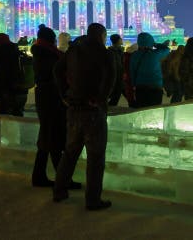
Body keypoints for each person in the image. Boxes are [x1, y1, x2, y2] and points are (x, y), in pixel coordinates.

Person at [53, 23, 115, 211]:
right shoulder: (105, 53)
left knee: (70, 152)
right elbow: (111, 79)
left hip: (73, 107)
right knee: (95, 157)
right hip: (93, 110)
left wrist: (64, 94)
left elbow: (56, 70)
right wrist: (101, 99)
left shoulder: (73, 51)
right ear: (102, 35)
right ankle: (92, 199)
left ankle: (59, 191)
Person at [31, 24, 80, 189]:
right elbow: (57, 75)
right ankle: (61, 179)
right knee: (55, 138)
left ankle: (42, 176)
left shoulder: (43, 52)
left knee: (49, 137)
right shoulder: (48, 54)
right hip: (51, 98)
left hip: (47, 97)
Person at [0, 33, 28, 116]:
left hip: (2, 82)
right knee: (15, 107)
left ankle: (3, 125)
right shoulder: (13, 50)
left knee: (4, 108)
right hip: (14, 82)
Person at [129, 33, 169, 108]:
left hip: (140, 87)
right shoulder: (156, 54)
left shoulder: (134, 55)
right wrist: (156, 44)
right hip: (155, 86)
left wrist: (134, 84)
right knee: (154, 110)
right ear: (151, 42)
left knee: (141, 109)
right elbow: (167, 50)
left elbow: (132, 71)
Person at [107, 34, 124, 106]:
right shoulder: (113, 52)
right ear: (118, 40)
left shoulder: (117, 51)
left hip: (119, 77)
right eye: (120, 38)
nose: (122, 40)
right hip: (117, 77)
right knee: (115, 96)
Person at [121, 42, 139, 107]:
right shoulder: (132, 58)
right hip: (131, 81)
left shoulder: (126, 56)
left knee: (131, 99)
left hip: (127, 81)